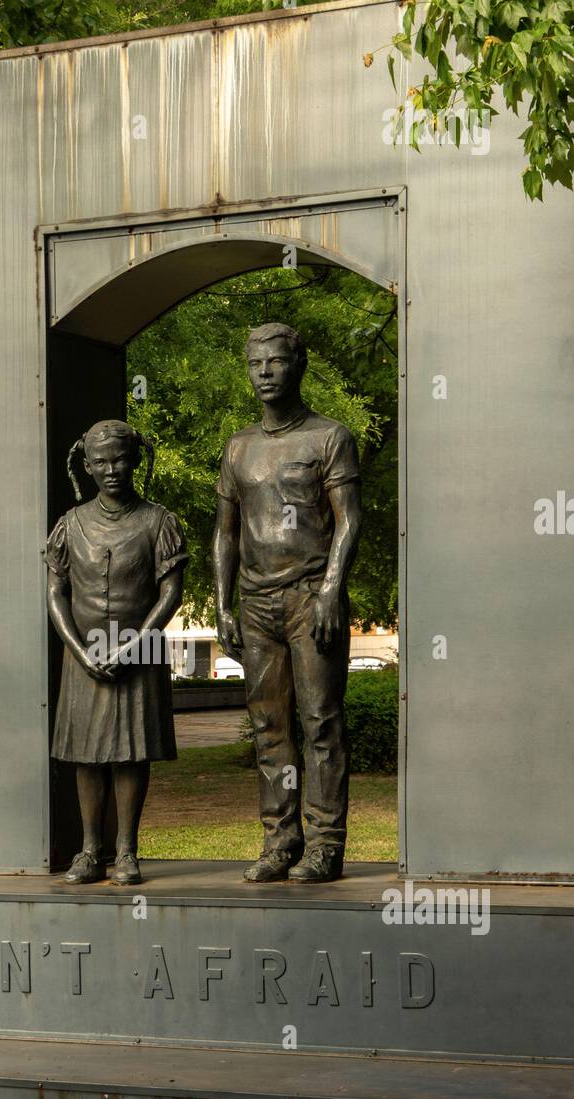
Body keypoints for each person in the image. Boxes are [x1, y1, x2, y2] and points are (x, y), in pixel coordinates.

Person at [213, 323, 362, 884]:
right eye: (255, 364)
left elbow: (350, 519)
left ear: (299, 364)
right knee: (269, 725)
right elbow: (225, 533)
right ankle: (282, 840)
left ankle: (325, 843)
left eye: (275, 362)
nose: (265, 373)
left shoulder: (329, 437)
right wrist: (223, 604)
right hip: (255, 603)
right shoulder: (238, 446)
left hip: (308, 599)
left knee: (321, 721)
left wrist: (330, 590)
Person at [45, 419, 188, 885]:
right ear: (86, 466)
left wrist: (135, 644)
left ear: (135, 461)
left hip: (139, 648)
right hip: (83, 653)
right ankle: (90, 850)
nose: (112, 469)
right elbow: (55, 594)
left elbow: (170, 593)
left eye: (121, 459)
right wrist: (80, 651)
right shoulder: (69, 524)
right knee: (87, 755)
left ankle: (126, 851)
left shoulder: (159, 521)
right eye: (102, 462)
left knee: (130, 753)